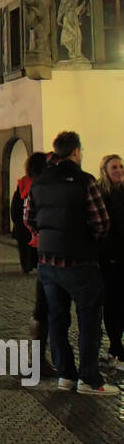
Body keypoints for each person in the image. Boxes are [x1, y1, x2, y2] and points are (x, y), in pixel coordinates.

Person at [24, 129, 118, 396]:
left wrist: (47, 237)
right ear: (76, 152)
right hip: (79, 262)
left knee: (56, 319)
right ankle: (88, 378)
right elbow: (101, 223)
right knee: (89, 319)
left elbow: (28, 219)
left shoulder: (39, 182)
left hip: (47, 263)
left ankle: (66, 374)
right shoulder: (84, 181)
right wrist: (88, 240)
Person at [97, 153, 124, 375]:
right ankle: (116, 346)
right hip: (110, 258)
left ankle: (117, 347)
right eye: (114, 167)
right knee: (112, 304)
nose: (119, 170)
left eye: (121, 166)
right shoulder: (102, 195)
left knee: (121, 304)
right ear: (105, 171)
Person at [11, 152, 48, 273]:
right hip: (41, 223)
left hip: (23, 222)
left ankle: (26, 265)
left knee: (24, 247)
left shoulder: (23, 183)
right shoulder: (47, 183)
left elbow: (15, 205)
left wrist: (16, 220)